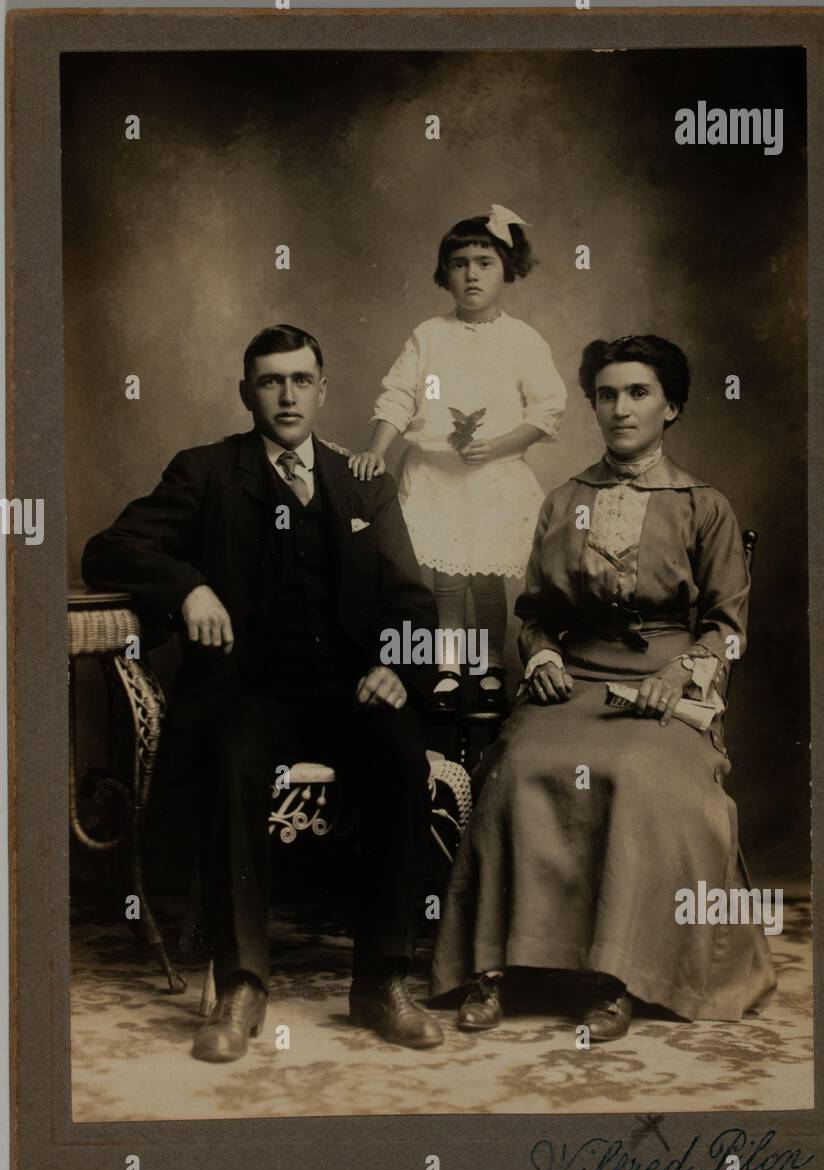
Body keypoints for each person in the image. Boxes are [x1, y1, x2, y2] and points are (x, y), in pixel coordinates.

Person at [82, 323, 446, 1059]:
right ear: (246, 391)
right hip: (252, 692)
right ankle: (241, 982)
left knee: (402, 761)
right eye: (271, 381)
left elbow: (411, 599)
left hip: (351, 691)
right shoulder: (207, 471)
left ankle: (381, 978)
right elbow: (107, 549)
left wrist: (394, 667)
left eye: (300, 380)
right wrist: (188, 588)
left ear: (322, 389)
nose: (287, 395)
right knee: (232, 762)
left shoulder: (361, 481)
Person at [430, 334, 777, 1038]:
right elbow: (533, 614)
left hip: (668, 690)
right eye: (608, 395)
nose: (621, 409)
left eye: (638, 393)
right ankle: (497, 970)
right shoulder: (563, 501)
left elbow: (725, 628)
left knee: (638, 773)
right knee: (516, 767)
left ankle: (614, 978)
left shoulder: (702, 505)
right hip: (574, 682)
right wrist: (542, 659)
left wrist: (678, 672)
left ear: (671, 405)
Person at [348, 205, 567, 713]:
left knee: (488, 581)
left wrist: (499, 445)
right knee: (446, 582)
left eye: (485, 262)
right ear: (444, 274)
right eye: (460, 262)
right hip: (436, 478)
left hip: (492, 480)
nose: (471, 273)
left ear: (506, 270)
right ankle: (449, 663)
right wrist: (376, 452)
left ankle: (489, 662)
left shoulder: (522, 340)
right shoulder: (429, 336)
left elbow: (547, 409)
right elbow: (400, 395)